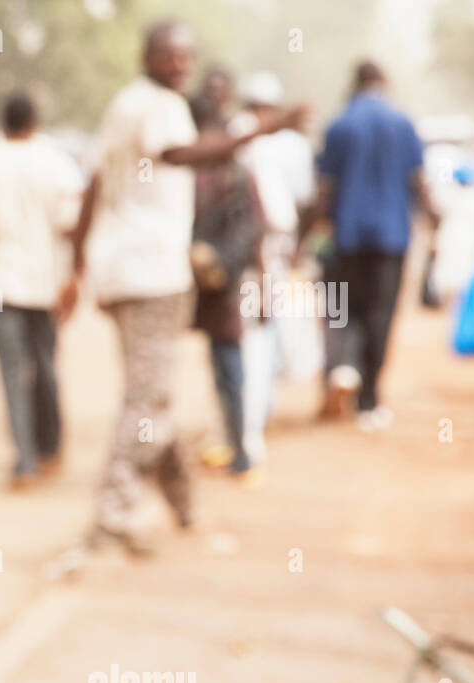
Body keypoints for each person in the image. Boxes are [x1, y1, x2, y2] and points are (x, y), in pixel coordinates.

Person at [67, 20, 304, 555]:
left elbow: (95, 184)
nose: (181, 66)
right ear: (147, 55)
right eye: (172, 57)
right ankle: (115, 509)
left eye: (186, 57)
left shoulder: (125, 102)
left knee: (156, 392)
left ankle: (183, 501)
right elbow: (178, 154)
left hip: (131, 270)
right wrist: (261, 131)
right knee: (147, 398)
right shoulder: (156, 107)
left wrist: (79, 260)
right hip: (150, 272)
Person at [0, 92, 83, 489]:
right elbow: (70, 224)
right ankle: (52, 447)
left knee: (11, 370)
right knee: (45, 364)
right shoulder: (56, 163)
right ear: (36, 121)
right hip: (44, 281)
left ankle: (24, 460)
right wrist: (74, 276)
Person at [315, 60, 438, 431]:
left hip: (347, 236)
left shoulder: (339, 124)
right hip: (391, 237)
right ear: (384, 84)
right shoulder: (402, 124)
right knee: (380, 313)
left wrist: (316, 232)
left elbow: (326, 188)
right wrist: (436, 222)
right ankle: (369, 399)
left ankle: (344, 368)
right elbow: (418, 181)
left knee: (343, 309)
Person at [231, 72, 319, 467]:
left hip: (258, 248)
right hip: (266, 246)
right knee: (261, 334)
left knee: (255, 336)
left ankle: (248, 430)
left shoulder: (241, 136)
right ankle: (252, 425)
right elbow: (302, 202)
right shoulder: (278, 142)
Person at [188, 92, 266, 484]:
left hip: (188, 286)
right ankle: (238, 452)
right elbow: (257, 232)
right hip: (220, 288)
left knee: (170, 373)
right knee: (230, 370)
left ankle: (233, 451)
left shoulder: (184, 167)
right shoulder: (234, 170)